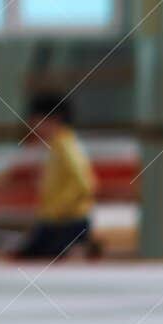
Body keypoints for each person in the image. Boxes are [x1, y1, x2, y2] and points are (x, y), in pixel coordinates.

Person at [12, 92, 97, 259]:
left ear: (54, 119)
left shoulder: (66, 146)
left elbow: (84, 185)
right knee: (26, 254)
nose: (33, 126)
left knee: (31, 257)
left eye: (37, 120)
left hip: (67, 222)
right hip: (56, 220)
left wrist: (55, 210)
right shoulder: (56, 145)